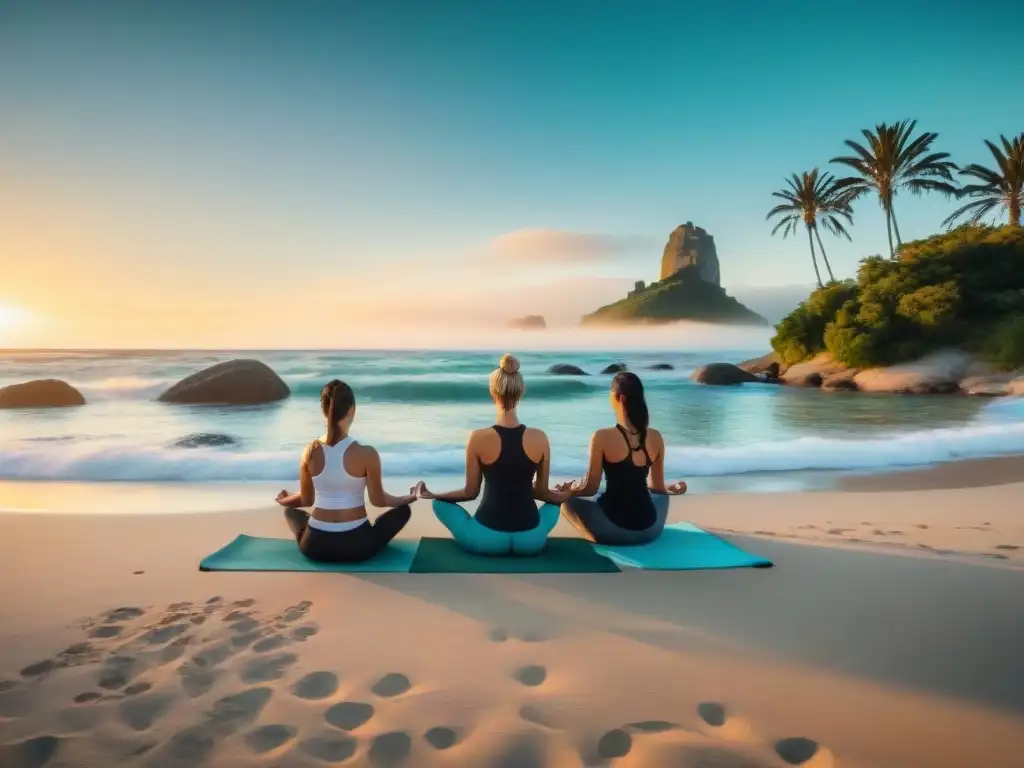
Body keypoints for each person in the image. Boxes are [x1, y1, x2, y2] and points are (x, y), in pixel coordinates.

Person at [415, 354, 569, 555]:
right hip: (531, 540)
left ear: (492, 392)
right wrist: (564, 495)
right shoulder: (539, 437)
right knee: (553, 505)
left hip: (487, 539)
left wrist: (435, 494)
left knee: (439, 505)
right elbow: (542, 492)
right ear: (521, 392)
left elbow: (470, 492)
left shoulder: (478, 438)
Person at [275, 379, 416, 563]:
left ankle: (304, 534)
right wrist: (406, 498)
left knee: (291, 512)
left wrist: (284, 500)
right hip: (357, 546)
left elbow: (306, 500)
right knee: (403, 511)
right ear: (352, 409)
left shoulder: (309, 451)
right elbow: (378, 500)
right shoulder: (367, 453)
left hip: (315, 546)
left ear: (324, 411)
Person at [557, 371, 687, 545]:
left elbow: (590, 489)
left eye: (611, 394)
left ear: (621, 398)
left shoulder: (602, 437)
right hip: (650, 530)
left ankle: (594, 537)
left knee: (566, 502)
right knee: (661, 496)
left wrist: (569, 490)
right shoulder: (655, 437)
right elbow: (657, 488)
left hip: (612, 530)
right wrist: (669, 487)